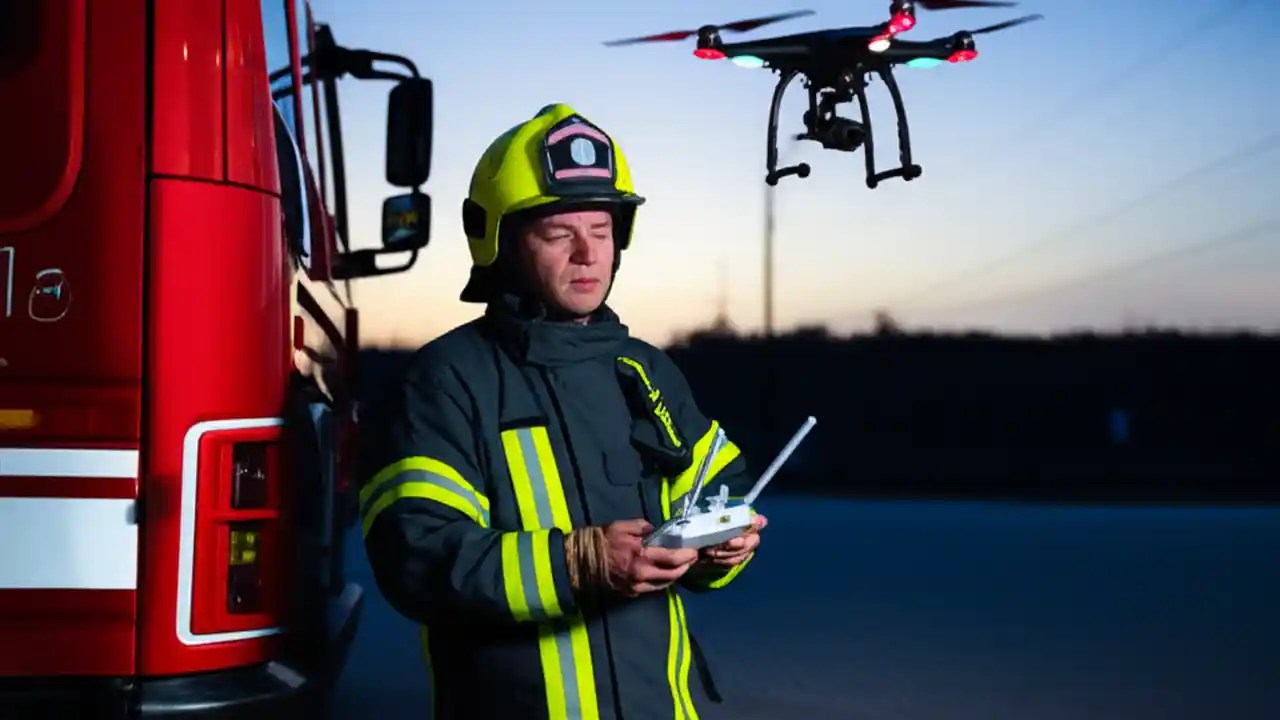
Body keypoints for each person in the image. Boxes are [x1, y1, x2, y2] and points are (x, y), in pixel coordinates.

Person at [358, 103, 768, 720]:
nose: (587, 254)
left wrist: (723, 546)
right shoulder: (444, 381)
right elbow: (417, 556)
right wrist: (578, 562)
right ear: (501, 245)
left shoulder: (645, 371)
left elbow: (719, 489)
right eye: (558, 234)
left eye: (601, 231)